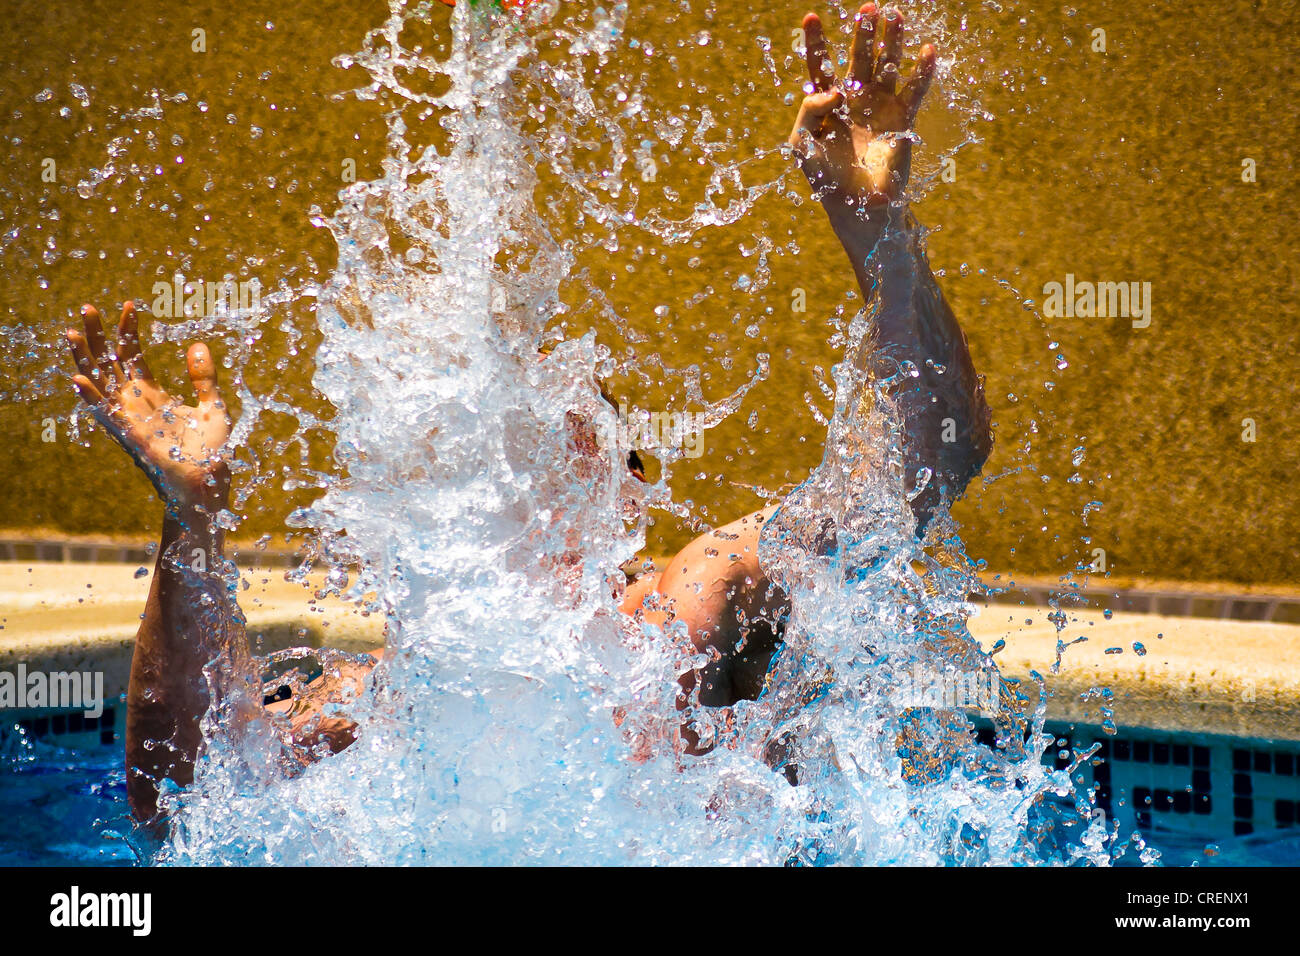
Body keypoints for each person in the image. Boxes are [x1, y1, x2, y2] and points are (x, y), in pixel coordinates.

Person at [64, 5, 990, 824]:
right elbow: (185, 807)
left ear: (624, 497)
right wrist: (194, 527)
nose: (508, 453)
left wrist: (881, 240)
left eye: (559, 428)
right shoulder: (382, 709)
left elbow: (930, 465)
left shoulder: (691, 615)